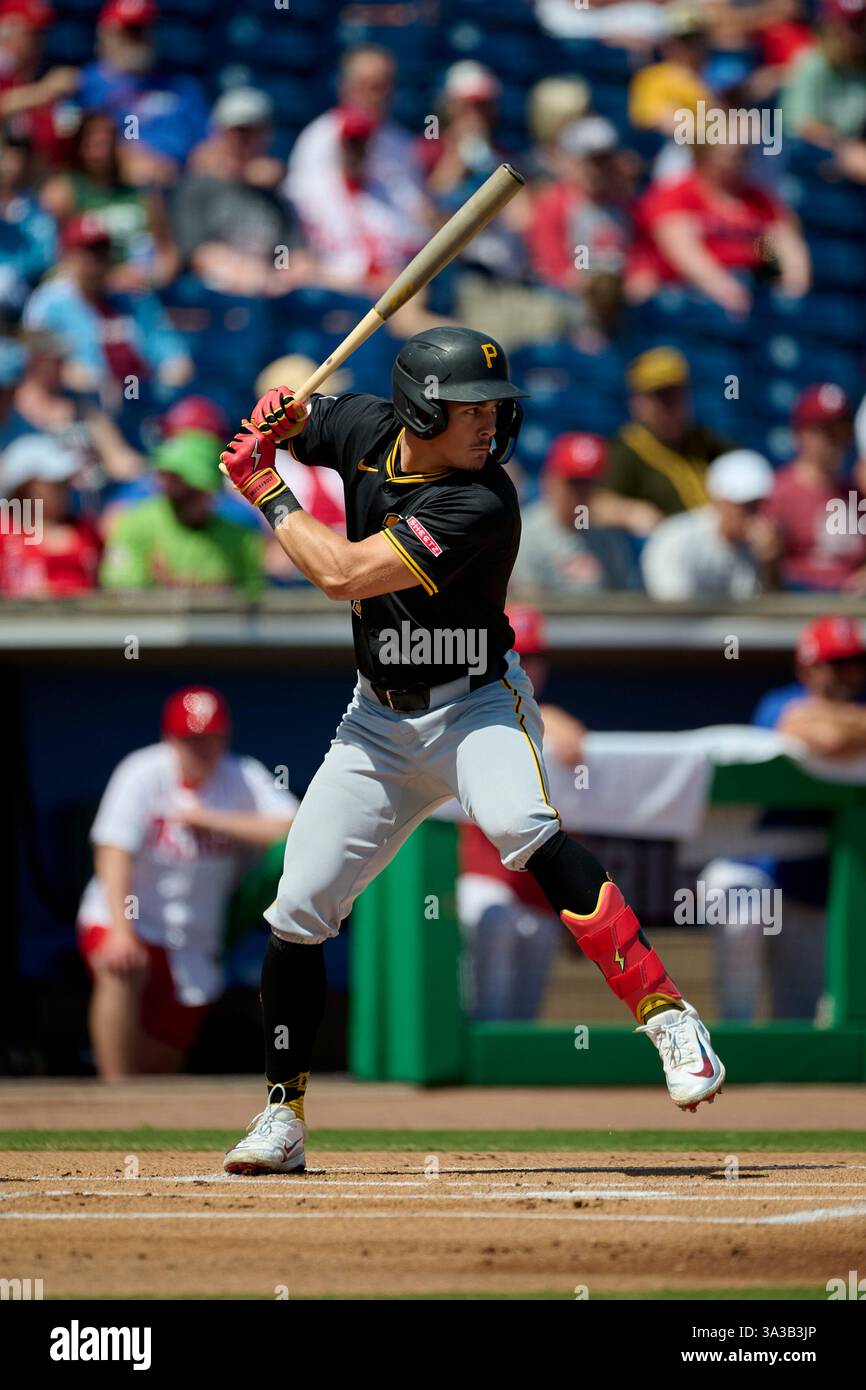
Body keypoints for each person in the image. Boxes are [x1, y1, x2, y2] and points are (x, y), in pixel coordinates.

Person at [216, 325, 726, 1175]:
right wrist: (276, 417)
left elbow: (341, 572)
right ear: (418, 408)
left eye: (495, 408)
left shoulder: (482, 502)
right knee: (296, 909)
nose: (489, 423)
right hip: (374, 721)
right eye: (468, 410)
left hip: (475, 705)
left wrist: (269, 490)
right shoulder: (364, 428)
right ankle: (284, 1116)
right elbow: (296, 415)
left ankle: (667, 1014)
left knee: (528, 828)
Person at [76, 686, 296, 1079]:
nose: (201, 749)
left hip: (194, 937)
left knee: (163, 1061)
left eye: (209, 739)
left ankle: (144, 1119)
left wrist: (210, 819)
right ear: (170, 739)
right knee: (120, 969)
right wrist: (120, 931)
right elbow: (113, 850)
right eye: (190, 740)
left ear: (223, 738)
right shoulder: (142, 771)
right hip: (129, 920)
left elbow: (292, 828)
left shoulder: (242, 776)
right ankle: (113, 1096)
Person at [706, 615, 866, 1021]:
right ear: (807, 668)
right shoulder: (781, 702)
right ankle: (734, 1034)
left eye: (856, 663)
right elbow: (824, 737)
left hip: (817, 894)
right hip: (757, 870)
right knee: (740, 902)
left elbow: (835, 731)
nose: (850, 674)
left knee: (799, 1019)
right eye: (837, 664)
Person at [458, 604, 586, 1019]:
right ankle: (475, 1051)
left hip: (533, 893)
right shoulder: (461, 705)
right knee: (492, 916)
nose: (524, 667)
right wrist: (546, 718)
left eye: (533, 658)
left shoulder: (558, 729)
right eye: (513, 655)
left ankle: (507, 1069)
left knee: (536, 937)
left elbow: (578, 822)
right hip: (472, 884)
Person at [23, 211, 193, 408]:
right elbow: (41, 372)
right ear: (66, 256)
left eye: (102, 251)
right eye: (87, 252)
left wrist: (151, 389)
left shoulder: (133, 299)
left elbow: (175, 359)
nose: (96, 261)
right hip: (80, 410)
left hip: (141, 403)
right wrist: (97, 383)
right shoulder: (47, 303)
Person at [627, 138, 811, 314]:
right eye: (727, 155)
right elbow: (684, 253)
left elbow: (787, 248)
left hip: (749, 291)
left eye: (742, 155)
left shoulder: (760, 202)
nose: (736, 163)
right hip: (690, 296)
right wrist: (727, 290)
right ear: (704, 155)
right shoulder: (677, 194)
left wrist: (790, 294)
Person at [172, 88, 314, 298]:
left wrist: (289, 274)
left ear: (266, 135)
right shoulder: (197, 188)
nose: (242, 140)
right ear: (219, 133)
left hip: (272, 298)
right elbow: (199, 254)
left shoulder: (273, 194)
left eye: (252, 131)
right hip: (215, 303)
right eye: (237, 131)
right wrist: (260, 277)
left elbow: (291, 252)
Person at [99, 430, 264, 595]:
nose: (193, 495)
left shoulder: (240, 539)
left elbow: (254, 597)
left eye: (199, 487)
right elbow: (120, 592)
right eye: (175, 480)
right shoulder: (135, 525)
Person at [593, 346, 734, 535]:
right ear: (638, 403)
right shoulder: (626, 449)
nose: (671, 405)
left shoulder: (705, 441)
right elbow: (589, 506)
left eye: (676, 394)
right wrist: (628, 511)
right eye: (660, 397)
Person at [39, 108, 179, 291]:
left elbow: (167, 251)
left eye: (106, 141)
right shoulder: (63, 191)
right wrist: (106, 278)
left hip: (141, 287)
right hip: (87, 290)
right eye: (93, 141)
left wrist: (152, 278)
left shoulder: (142, 193)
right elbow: (54, 257)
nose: (101, 150)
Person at [77, 0, 209, 186]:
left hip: (180, 184)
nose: (136, 41)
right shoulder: (83, 85)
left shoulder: (183, 88)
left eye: (142, 31)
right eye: (128, 31)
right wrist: (125, 157)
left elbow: (207, 141)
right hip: (112, 187)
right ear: (106, 34)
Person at [525, 115, 632, 337]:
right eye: (591, 160)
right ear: (573, 161)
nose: (597, 169)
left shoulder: (622, 206)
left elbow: (639, 256)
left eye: (604, 161)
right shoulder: (555, 203)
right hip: (568, 306)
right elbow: (550, 263)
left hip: (618, 306)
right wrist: (588, 286)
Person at [764, 383, 866, 592]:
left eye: (842, 430)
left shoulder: (857, 494)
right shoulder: (778, 492)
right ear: (800, 435)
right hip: (796, 610)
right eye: (825, 431)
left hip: (853, 610)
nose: (836, 441)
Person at [641, 448, 781, 599]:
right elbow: (674, 611)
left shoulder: (759, 552)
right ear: (718, 502)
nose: (754, 515)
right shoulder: (674, 539)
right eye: (745, 505)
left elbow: (766, 613)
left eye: (757, 505)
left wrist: (770, 567)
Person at [510, 431, 635, 594]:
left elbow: (622, 600)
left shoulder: (606, 536)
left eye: (589, 482)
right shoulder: (524, 534)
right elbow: (527, 602)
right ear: (550, 480)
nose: (582, 491)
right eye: (574, 482)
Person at [0, 431, 101, 595]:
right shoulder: (4, 533)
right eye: (54, 483)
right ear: (24, 487)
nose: (64, 490)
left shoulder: (87, 532)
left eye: (65, 482)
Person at [782, 0, 866, 182]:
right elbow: (802, 126)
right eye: (846, 25)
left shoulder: (860, 69)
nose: (853, 34)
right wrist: (846, 149)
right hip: (808, 163)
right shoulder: (811, 64)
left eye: (859, 25)